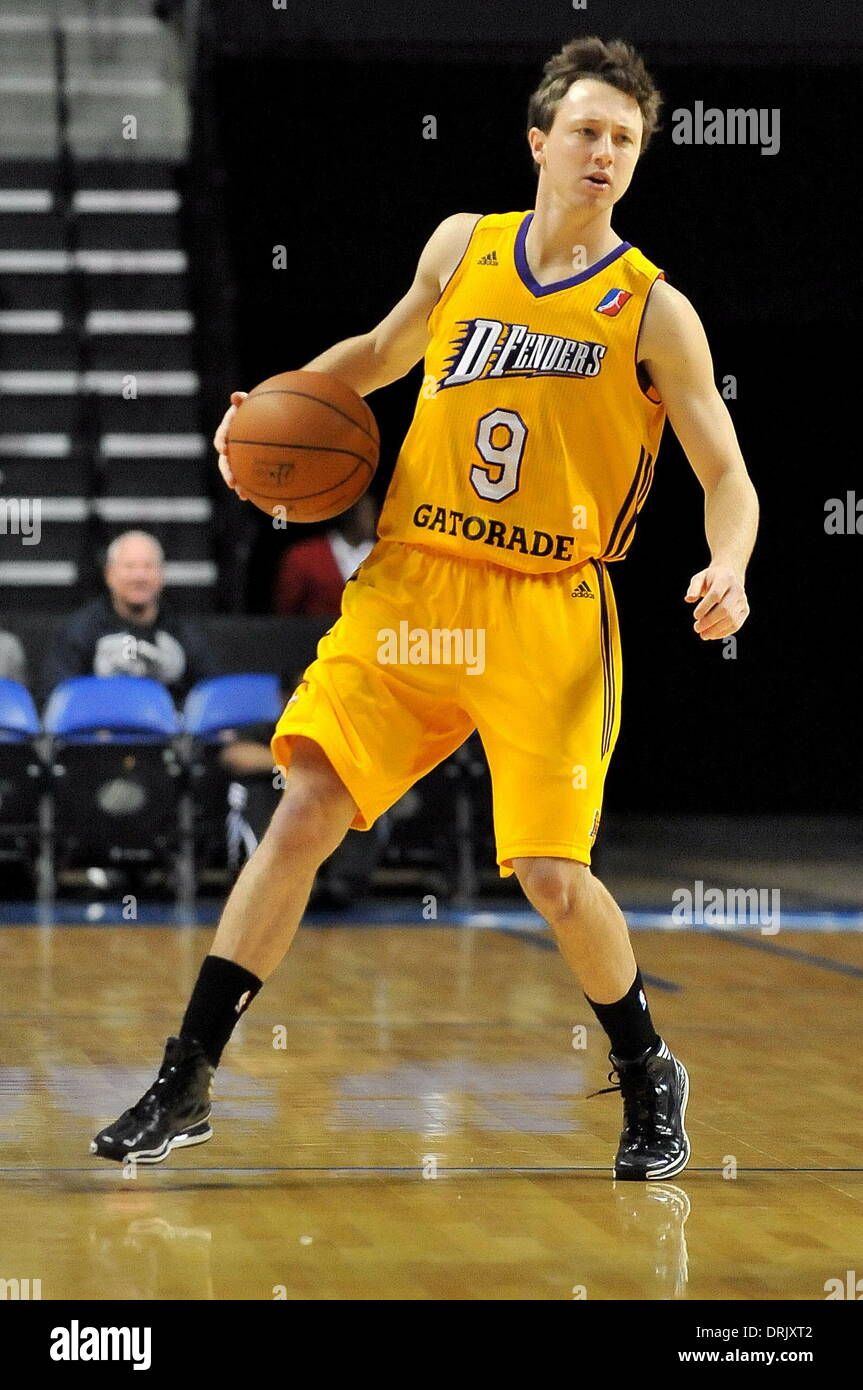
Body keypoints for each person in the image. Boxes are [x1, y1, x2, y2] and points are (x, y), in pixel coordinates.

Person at [92, 36, 758, 1179]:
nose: (603, 153)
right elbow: (381, 352)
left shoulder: (656, 311)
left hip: (548, 604)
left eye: (625, 140)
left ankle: (647, 1069)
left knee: (552, 875)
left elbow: (726, 474)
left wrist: (730, 565)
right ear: (539, 142)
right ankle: (188, 1075)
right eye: (586, 132)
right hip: (411, 583)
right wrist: (275, 404)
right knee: (303, 806)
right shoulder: (462, 246)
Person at [42, 530, 215, 704]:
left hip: (169, 728)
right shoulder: (80, 630)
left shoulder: (184, 633)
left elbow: (213, 696)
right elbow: (57, 698)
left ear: (161, 575)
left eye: (148, 566)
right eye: (129, 566)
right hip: (100, 727)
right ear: (109, 574)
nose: (139, 576)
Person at [272, 496, 377, 616]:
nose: (374, 519)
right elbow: (284, 612)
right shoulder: (305, 556)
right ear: (349, 514)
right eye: (366, 513)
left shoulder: (386, 555)